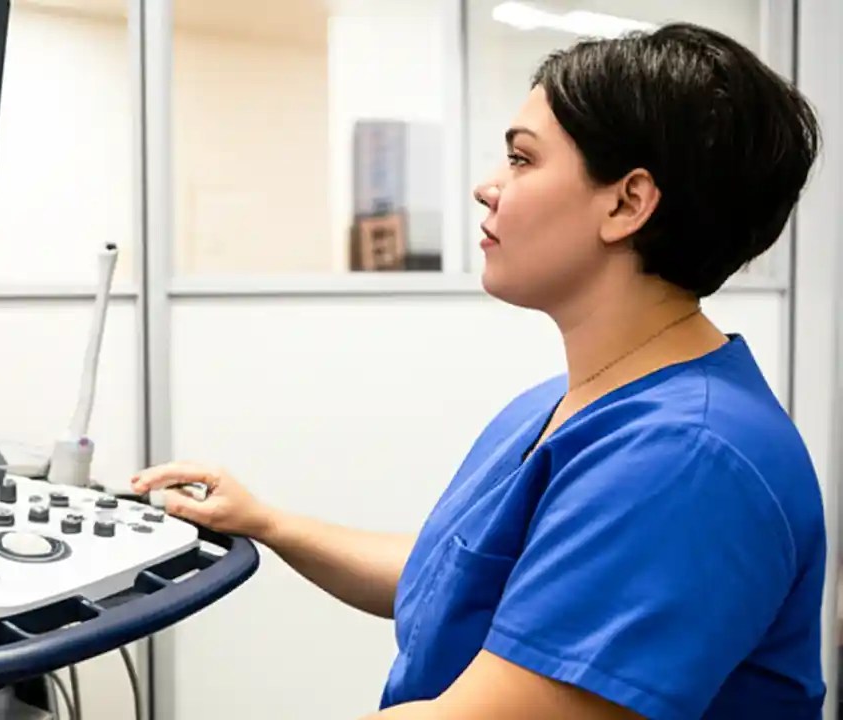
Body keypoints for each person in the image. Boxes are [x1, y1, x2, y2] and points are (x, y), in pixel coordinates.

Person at [132, 22, 825, 720]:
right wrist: (268, 521)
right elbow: (458, 577)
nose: (486, 188)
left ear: (626, 203)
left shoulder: (688, 461)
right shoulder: (571, 404)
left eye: (522, 160)